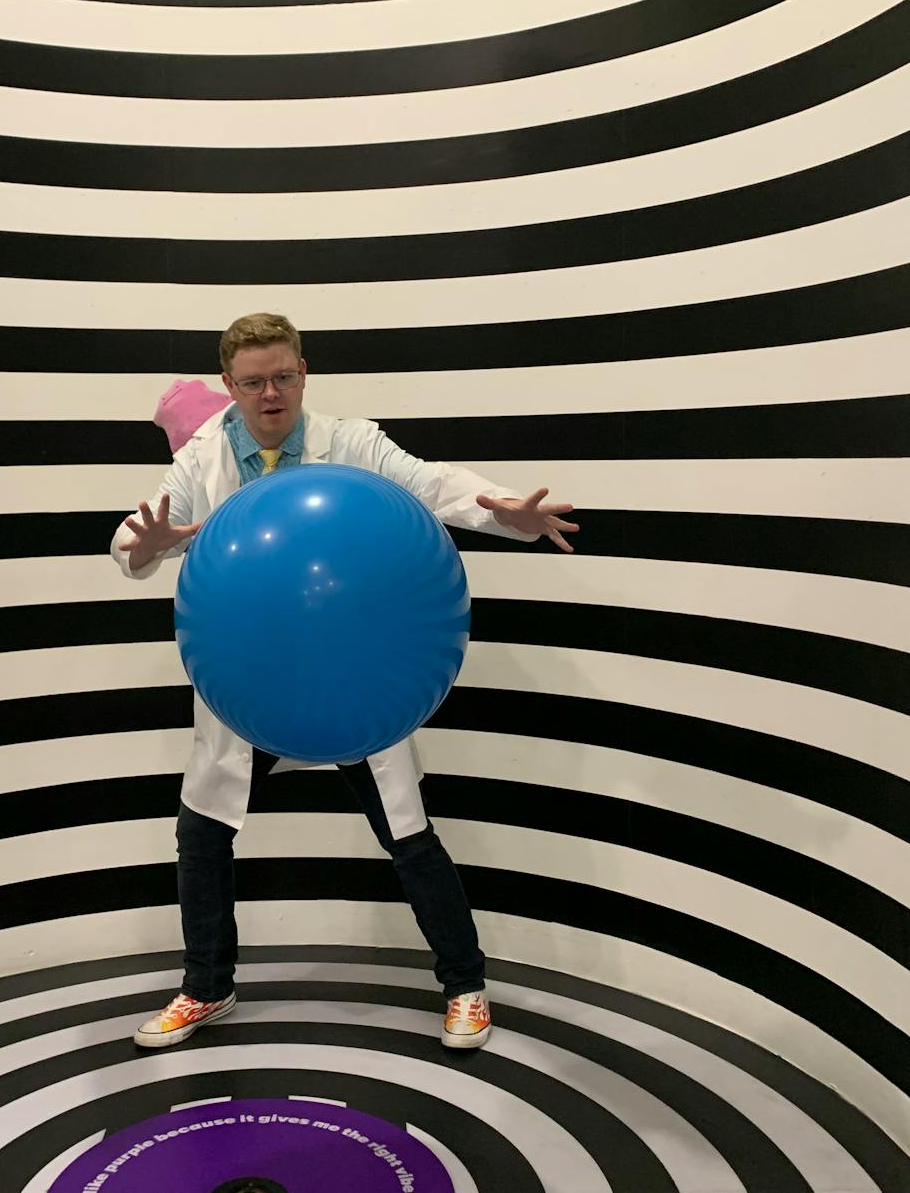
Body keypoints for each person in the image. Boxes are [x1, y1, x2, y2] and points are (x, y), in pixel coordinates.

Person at [111, 313, 578, 1053]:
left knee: (407, 833)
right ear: (229, 386)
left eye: (284, 376)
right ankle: (206, 987)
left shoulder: (351, 442)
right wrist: (151, 543)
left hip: (348, 670)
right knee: (201, 837)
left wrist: (507, 512)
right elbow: (131, 539)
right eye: (254, 381)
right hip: (249, 678)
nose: (272, 394)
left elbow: (433, 487)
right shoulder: (203, 456)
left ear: (303, 371)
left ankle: (464, 985)